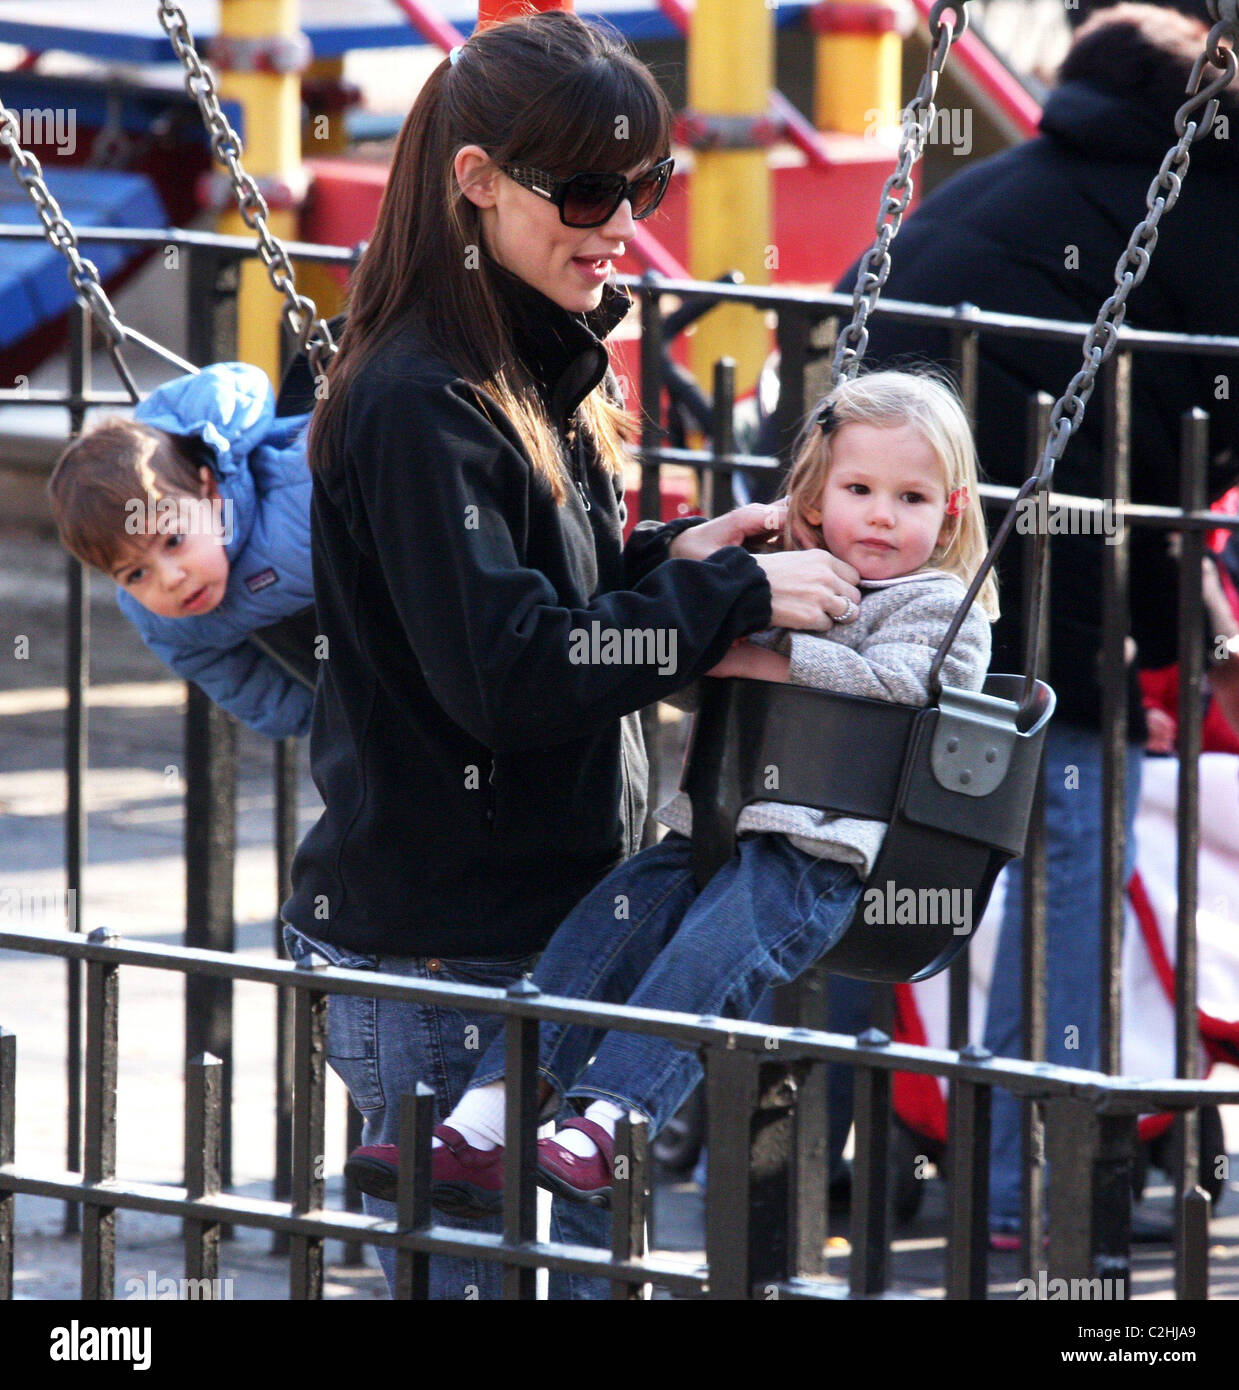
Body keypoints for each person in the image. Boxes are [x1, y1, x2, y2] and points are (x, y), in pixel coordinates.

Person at [277, 11, 858, 1299]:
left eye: (644, 184)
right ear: (475, 181)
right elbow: (507, 673)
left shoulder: (525, 367)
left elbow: (546, 601)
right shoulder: (427, 398)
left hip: (533, 927)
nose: (622, 221)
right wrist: (728, 592)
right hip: (440, 948)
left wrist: (676, 559)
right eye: (589, 189)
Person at [347, 368, 996, 1211]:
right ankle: (487, 1115)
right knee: (590, 942)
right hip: (711, 826)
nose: (880, 514)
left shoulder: (944, 605)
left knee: (703, 960)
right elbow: (691, 674)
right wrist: (714, 602)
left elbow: (903, 692)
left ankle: (611, 1115)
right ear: (815, 492)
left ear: (948, 511)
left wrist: (761, 653)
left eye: (910, 498)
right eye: (859, 488)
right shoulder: (784, 577)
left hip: (818, 851)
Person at [829, 2, 1239, 1241]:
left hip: (858, 529)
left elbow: (1147, 438)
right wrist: (1179, 650)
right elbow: (1169, 470)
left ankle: (794, 1153)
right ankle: (1029, 1183)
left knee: (839, 849)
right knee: (1075, 842)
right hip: (1021, 553)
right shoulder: (1208, 209)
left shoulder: (1034, 176)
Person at [46, 361, 315, 738]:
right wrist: (331, 720)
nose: (171, 579)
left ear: (210, 493)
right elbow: (227, 669)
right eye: (135, 574)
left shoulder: (297, 493)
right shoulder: (161, 620)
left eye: (173, 541)